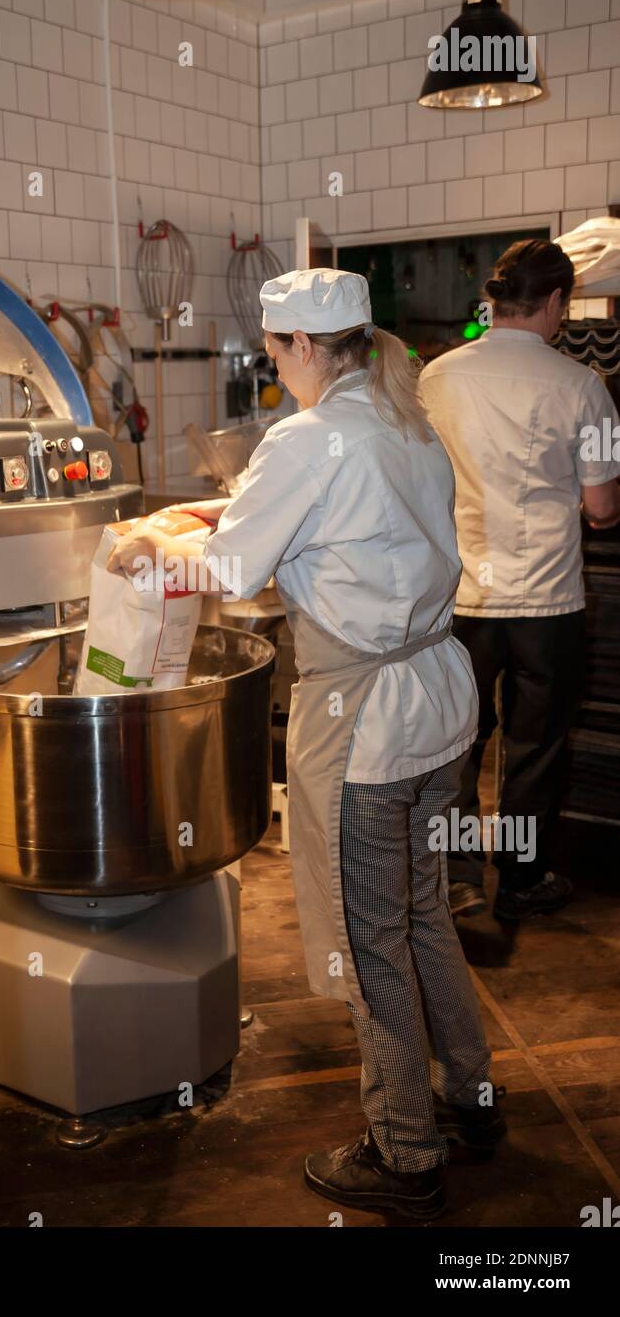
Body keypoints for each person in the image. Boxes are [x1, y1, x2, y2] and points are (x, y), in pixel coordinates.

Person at [108, 269, 501, 1220]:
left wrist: (146, 547)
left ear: (299, 348)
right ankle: (471, 1097)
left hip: (370, 725)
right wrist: (212, 519)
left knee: (371, 944)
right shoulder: (407, 420)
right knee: (421, 915)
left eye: (276, 352)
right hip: (443, 698)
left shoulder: (310, 437)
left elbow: (237, 568)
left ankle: (406, 1153)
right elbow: (320, 528)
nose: (276, 369)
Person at [421, 240, 620, 922]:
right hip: (548, 600)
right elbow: (601, 508)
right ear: (557, 302)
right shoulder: (584, 387)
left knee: (456, 741)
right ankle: (524, 875)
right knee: (534, 748)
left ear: (498, 298)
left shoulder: (436, 379)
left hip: (461, 598)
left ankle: (456, 879)